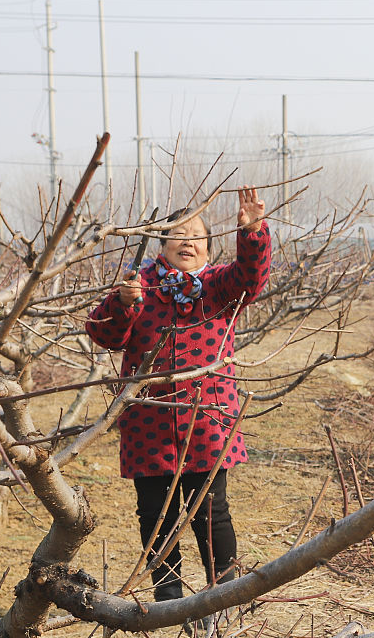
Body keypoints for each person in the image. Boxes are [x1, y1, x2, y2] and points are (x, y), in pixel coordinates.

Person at [86, 187, 270, 603]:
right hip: (148, 419)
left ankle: (225, 593)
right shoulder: (140, 286)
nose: (188, 241)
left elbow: (252, 279)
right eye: (178, 234)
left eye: (197, 235)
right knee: (156, 514)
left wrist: (253, 230)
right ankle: (168, 597)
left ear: (208, 246)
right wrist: (122, 303)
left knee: (211, 510)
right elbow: (103, 334)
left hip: (208, 417)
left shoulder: (219, 286)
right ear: (162, 244)